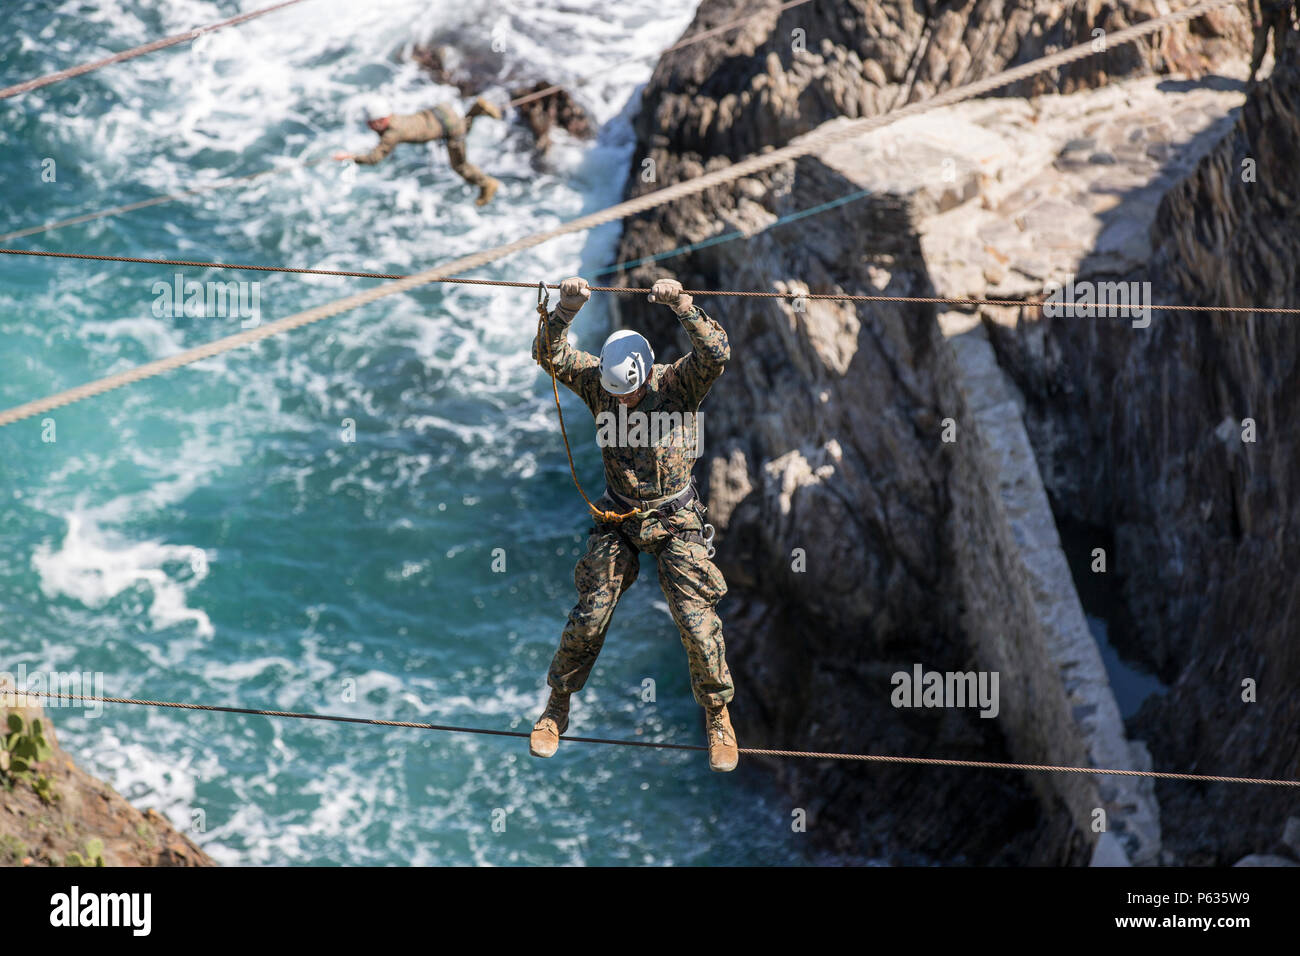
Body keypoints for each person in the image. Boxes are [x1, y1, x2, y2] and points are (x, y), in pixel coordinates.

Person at [528, 276, 739, 772]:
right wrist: (565, 310)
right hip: (619, 515)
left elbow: (717, 354)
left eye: (631, 394)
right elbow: (549, 354)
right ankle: (558, 704)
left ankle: (717, 713)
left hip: (674, 517)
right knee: (591, 614)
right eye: (616, 396)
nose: (622, 402)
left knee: (696, 621)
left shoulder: (676, 385)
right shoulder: (601, 382)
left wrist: (685, 305)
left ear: (647, 376)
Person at [332, 94, 503, 205]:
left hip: (449, 128)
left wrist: (349, 157)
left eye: (371, 123)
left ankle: (487, 183)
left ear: (380, 121)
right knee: (460, 129)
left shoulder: (392, 134)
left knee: (460, 166)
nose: (369, 127)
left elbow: (374, 158)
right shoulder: (397, 119)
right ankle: (477, 109)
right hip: (442, 112)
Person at [1248, 0, 1296, 85]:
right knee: (1259, 46)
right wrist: (1255, 14)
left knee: (1281, 47)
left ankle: (1278, 79)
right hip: (1264, 10)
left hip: (1283, 12)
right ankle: (1253, 74)